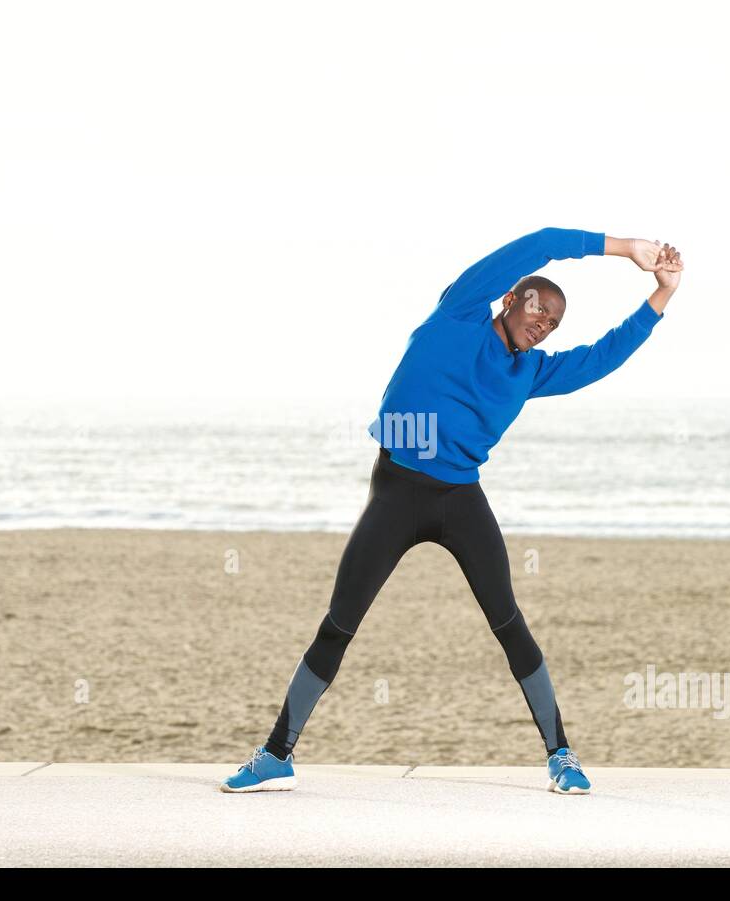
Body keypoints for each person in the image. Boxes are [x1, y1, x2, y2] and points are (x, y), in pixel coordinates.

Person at [222, 227, 682, 794]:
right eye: (539, 310)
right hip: (396, 493)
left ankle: (561, 755)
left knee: (509, 622)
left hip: (461, 499)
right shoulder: (460, 313)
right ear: (511, 297)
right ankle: (275, 755)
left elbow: (604, 355)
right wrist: (624, 248)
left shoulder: (530, 372)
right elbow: (539, 243)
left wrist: (661, 295)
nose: (544, 326)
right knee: (339, 624)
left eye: (554, 325)